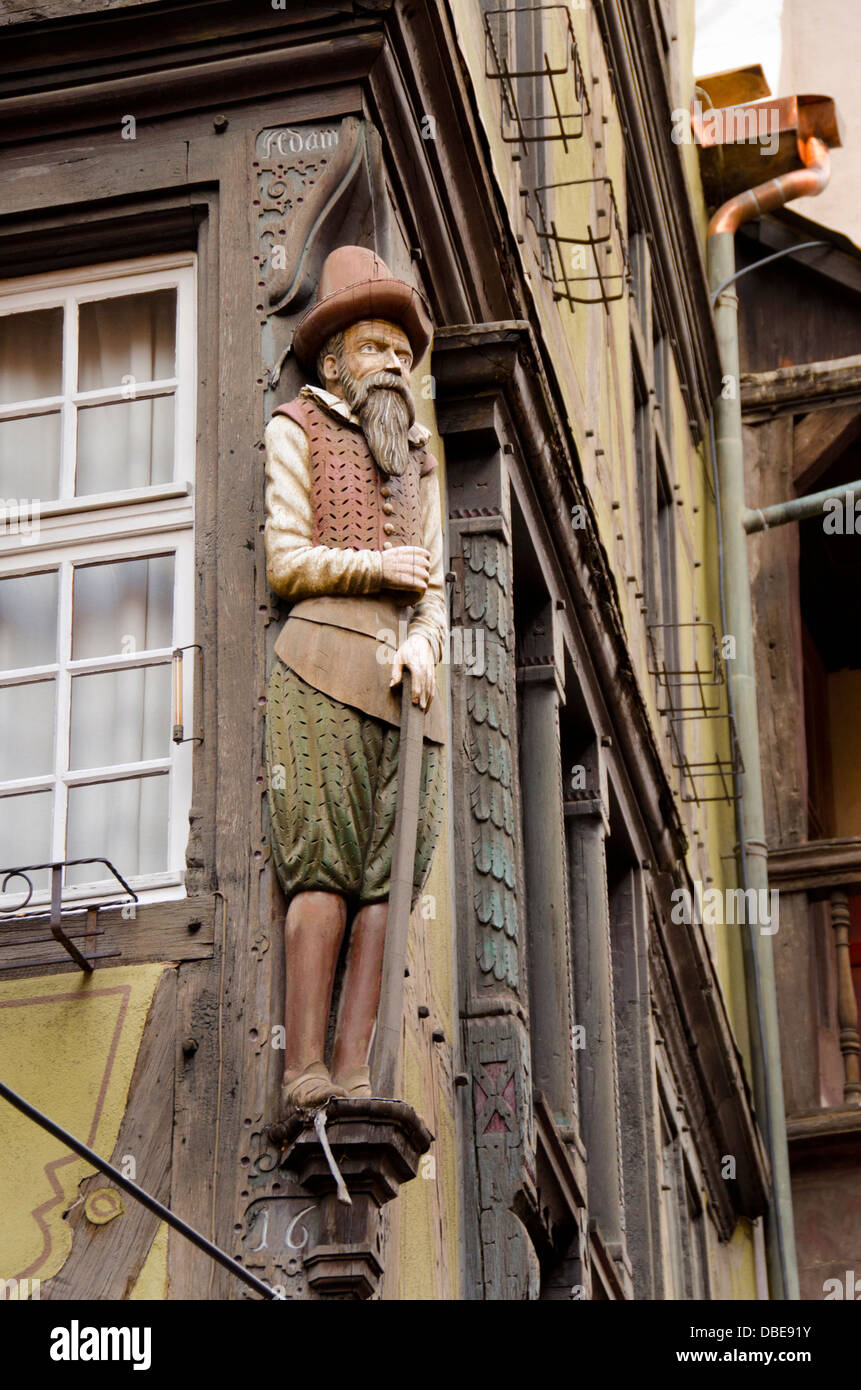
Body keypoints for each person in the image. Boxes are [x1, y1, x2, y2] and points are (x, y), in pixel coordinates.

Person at [264, 245, 447, 1116]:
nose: (392, 366)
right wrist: (377, 570)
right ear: (333, 358)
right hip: (323, 663)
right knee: (323, 871)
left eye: (402, 355)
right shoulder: (296, 428)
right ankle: (304, 1070)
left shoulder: (419, 458)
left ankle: (355, 1071)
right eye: (374, 348)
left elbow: (435, 584)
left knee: (389, 884)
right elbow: (286, 561)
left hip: (406, 691)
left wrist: (426, 643)